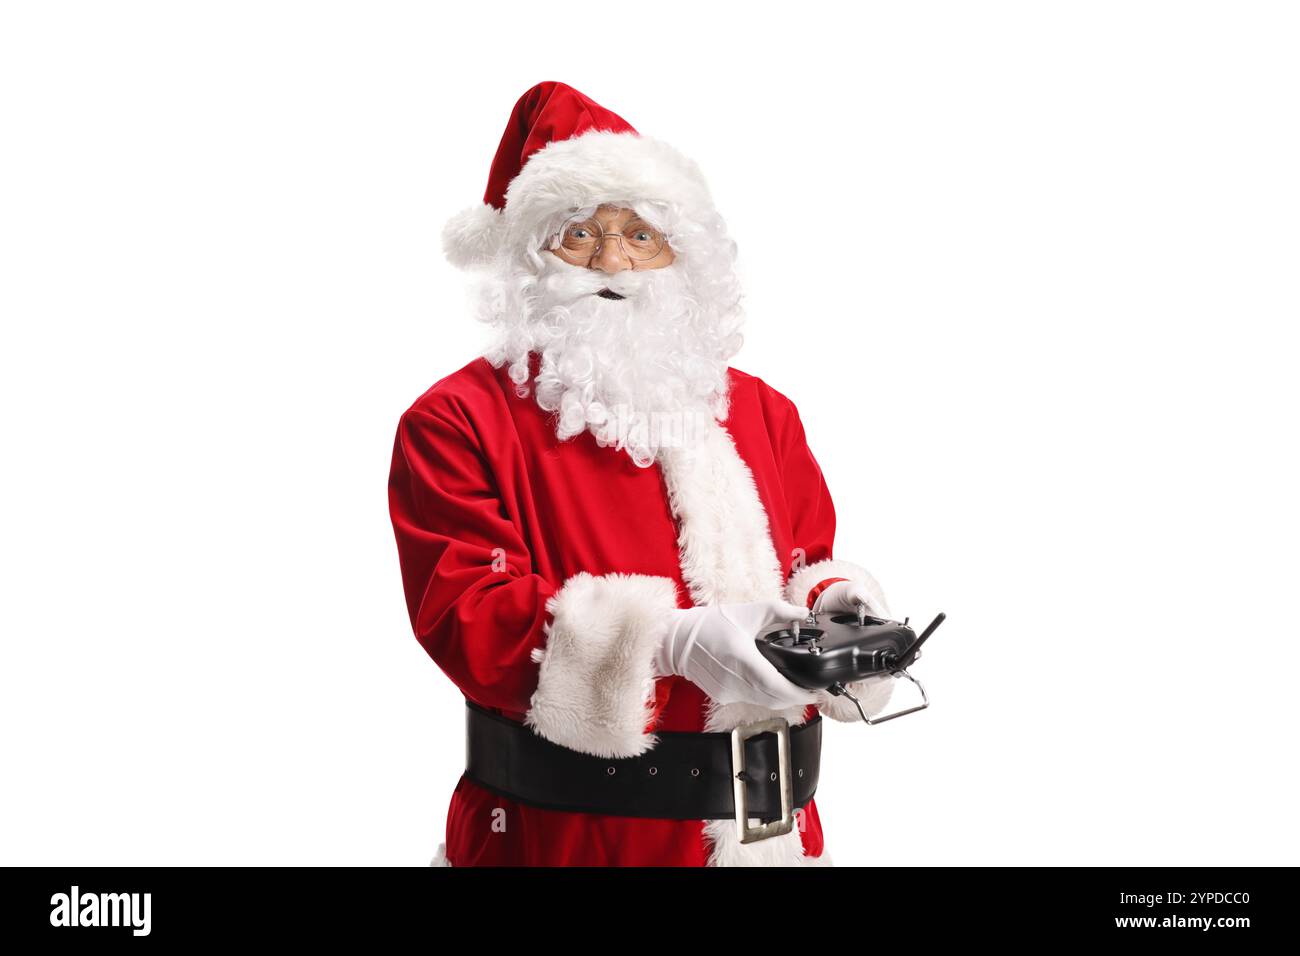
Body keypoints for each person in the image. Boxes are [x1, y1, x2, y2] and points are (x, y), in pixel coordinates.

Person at [388, 81, 899, 866]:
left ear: (681, 256)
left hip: (777, 840)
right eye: (578, 234)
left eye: (639, 235)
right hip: (567, 843)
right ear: (529, 259)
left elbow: (808, 563)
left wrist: (841, 610)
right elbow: (467, 614)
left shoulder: (763, 412)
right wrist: (669, 641)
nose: (611, 262)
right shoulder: (457, 420)